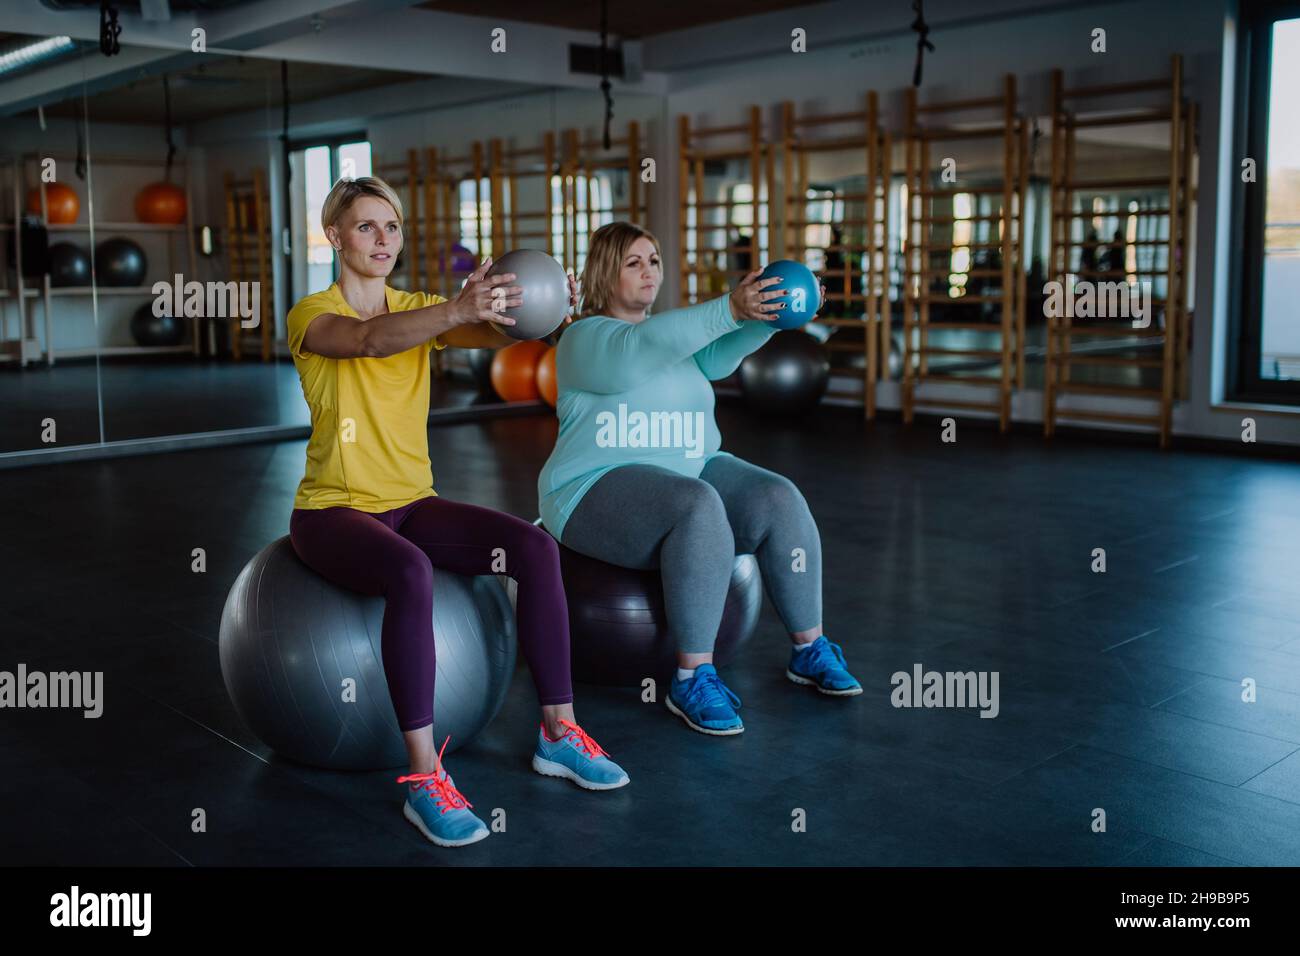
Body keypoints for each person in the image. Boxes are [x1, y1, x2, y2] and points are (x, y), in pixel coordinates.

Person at [285, 176, 628, 849]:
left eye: (392, 227)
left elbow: (490, 335)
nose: (383, 240)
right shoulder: (312, 314)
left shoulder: (420, 305)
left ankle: (558, 732)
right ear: (334, 235)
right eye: (366, 227)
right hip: (331, 514)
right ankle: (422, 778)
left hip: (413, 502)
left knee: (534, 549)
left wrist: (540, 309)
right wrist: (454, 308)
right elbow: (368, 342)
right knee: (409, 572)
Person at [538, 222, 862, 737]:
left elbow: (720, 353)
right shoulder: (584, 338)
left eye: (655, 259)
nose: (650, 271)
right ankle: (691, 677)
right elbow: (637, 351)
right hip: (592, 486)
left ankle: (809, 648)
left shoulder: (673, 337)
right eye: (633, 262)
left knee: (777, 496)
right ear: (605, 272)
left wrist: (771, 316)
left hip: (689, 467)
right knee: (697, 505)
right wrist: (729, 308)